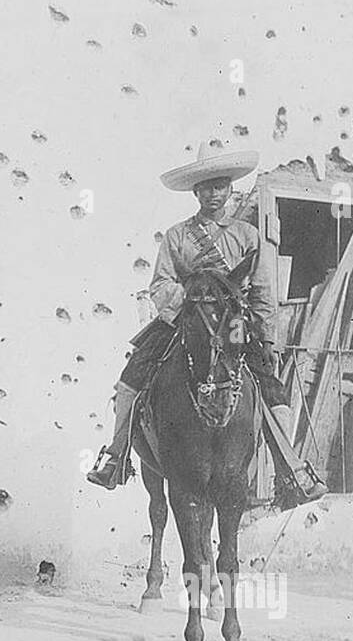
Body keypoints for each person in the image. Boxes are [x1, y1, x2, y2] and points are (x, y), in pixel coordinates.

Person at [86, 142, 328, 507]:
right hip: (185, 322)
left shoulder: (248, 237)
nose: (213, 194)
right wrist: (193, 298)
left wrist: (268, 341)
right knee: (131, 379)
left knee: (271, 389)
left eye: (220, 186)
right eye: (206, 187)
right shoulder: (177, 236)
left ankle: (291, 470)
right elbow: (161, 284)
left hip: (233, 326)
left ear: (230, 188)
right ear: (195, 192)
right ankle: (116, 457)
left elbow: (262, 292)